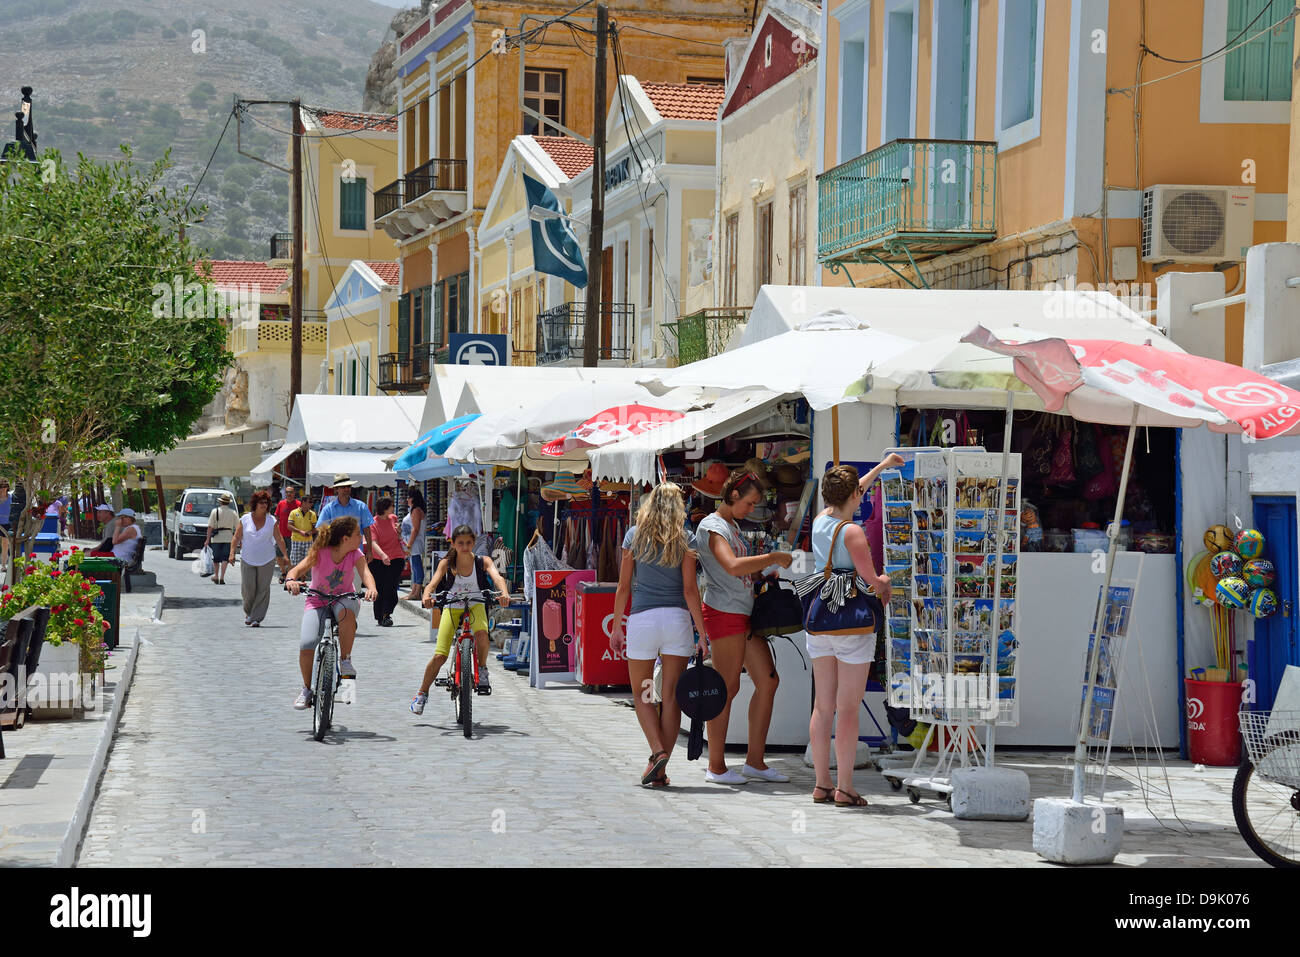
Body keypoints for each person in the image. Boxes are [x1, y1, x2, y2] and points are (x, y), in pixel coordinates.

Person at [807, 458, 901, 808]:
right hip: (852, 623)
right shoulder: (853, 532)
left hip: (821, 622)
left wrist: (882, 465)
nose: (862, 498)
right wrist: (887, 584)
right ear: (851, 496)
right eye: (859, 494)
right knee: (848, 709)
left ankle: (822, 783)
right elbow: (871, 583)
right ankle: (846, 787)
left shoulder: (820, 522)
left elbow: (853, 486)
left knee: (823, 706)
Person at [694, 468, 794, 786]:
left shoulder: (728, 525)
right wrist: (771, 558)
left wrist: (762, 574)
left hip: (741, 612)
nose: (753, 509)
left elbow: (737, 571)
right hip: (724, 614)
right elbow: (732, 565)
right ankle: (716, 766)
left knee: (768, 681)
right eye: (750, 503)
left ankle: (754, 761)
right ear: (734, 495)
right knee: (727, 689)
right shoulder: (712, 526)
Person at [610, 483, 709, 788]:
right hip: (677, 621)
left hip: (642, 621)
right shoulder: (686, 538)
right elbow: (691, 590)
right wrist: (702, 634)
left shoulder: (633, 536)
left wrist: (616, 625)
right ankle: (661, 769)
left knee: (643, 693)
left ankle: (657, 752)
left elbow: (624, 586)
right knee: (671, 698)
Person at [411, 524, 511, 713]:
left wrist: (504, 592)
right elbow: (431, 584)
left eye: (468, 543)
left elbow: (497, 578)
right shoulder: (446, 563)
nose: (465, 547)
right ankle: (422, 694)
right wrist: (426, 597)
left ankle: (481, 669)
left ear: (473, 543)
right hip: (451, 605)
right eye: (460, 543)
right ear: (453, 543)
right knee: (440, 655)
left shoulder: (483, 561)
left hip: (476, 603)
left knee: (482, 634)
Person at [285, 516, 378, 709]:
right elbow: (297, 570)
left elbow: (365, 572)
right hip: (317, 599)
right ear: (345, 538)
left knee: (345, 611)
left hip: (343, 597)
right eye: (357, 534)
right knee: (307, 643)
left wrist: (371, 588)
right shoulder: (320, 551)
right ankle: (306, 689)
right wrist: (291, 580)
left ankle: (345, 660)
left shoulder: (355, 553)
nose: (361, 537)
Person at [230, 489, 288, 627]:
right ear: (255, 504)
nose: (264, 505)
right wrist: (232, 553)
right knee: (248, 588)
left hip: (267, 559)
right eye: (261, 502)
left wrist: (285, 555)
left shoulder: (271, 520)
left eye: (266, 503)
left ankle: (257, 617)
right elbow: (236, 537)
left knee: (263, 589)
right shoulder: (245, 519)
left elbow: (279, 538)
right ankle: (249, 612)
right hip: (247, 558)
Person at [368, 497, 406, 627]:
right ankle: (380, 615)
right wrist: (383, 555)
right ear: (384, 508)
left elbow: (398, 536)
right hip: (379, 560)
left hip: (396, 557)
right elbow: (373, 542)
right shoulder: (373, 523)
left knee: (390, 587)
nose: (393, 508)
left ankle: (386, 614)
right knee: (380, 588)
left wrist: (399, 532)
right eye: (391, 506)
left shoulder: (393, 518)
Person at [315, 474, 374, 554]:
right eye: (343, 487)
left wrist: (370, 550)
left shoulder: (361, 506)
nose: (347, 489)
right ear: (336, 489)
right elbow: (321, 531)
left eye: (348, 486)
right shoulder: (328, 509)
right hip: (335, 554)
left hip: (356, 554)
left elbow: (367, 530)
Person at [203, 492, 239, 585]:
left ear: (220, 502)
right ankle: (222, 577)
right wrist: (239, 540)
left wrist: (207, 539)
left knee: (216, 558)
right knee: (225, 558)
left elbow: (210, 527)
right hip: (229, 537)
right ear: (228, 502)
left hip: (217, 538)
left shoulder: (215, 511)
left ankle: (216, 575)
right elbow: (238, 527)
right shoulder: (233, 513)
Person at [404, 489, 427, 601]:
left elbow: (415, 529)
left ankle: (417, 592)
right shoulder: (414, 510)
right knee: (414, 567)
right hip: (413, 542)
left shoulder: (416, 510)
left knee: (417, 567)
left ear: (412, 498)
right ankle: (414, 591)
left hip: (415, 543)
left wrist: (409, 544)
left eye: (408, 497)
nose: (407, 499)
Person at [274, 485, 301, 582]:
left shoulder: (298, 504)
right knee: (278, 555)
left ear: (294, 493)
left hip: (293, 535)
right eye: (287, 492)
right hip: (281, 535)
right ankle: (283, 572)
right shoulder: (281, 503)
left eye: (291, 492)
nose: (289, 494)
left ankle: (288, 575)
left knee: (290, 557)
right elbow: (276, 517)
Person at [287, 496, 318, 571]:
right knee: (294, 562)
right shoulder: (294, 512)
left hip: (308, 541)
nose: (311, 504)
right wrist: (300, 531)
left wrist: (310, 532)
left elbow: (316, 528)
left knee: (307, 562)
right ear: (303, 503)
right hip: (296, 540)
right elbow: (289, 526)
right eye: (310, 502)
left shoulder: (312, 514)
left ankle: (302, 580)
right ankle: (291, 578)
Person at [0, 478, 11, 571]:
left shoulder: (11, 497)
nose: (3, 488)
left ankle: (3, 565)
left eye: (5, 486)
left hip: (7, 523)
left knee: (5, 545)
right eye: (1, 487)